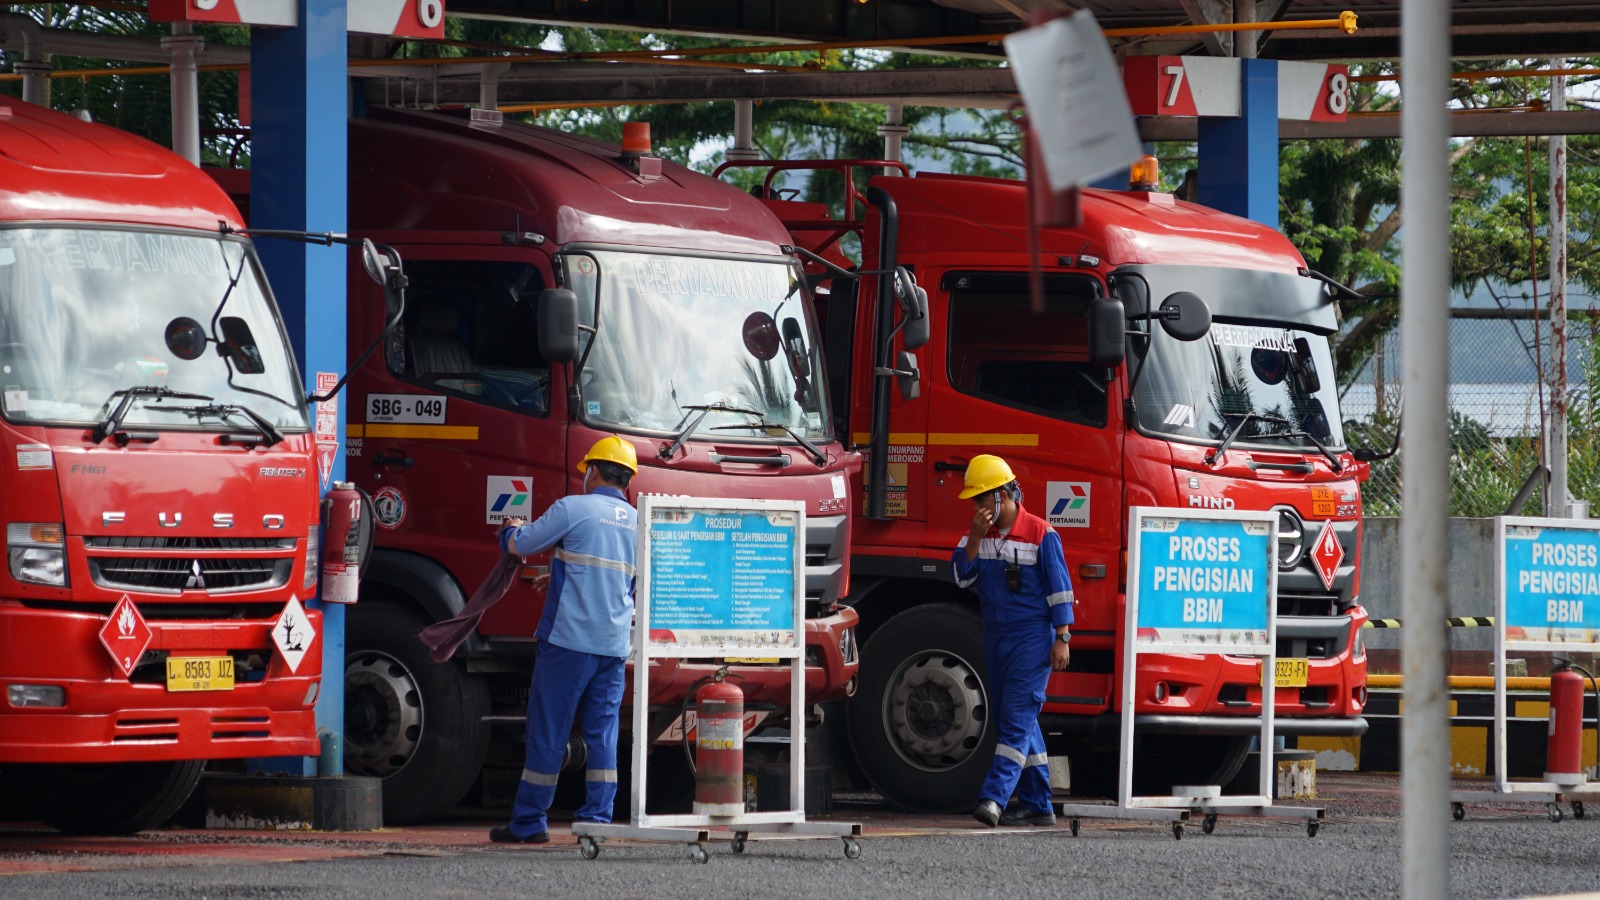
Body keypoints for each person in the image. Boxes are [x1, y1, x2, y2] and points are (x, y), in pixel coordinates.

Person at [488, 435, 640, 844]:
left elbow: (521, 544)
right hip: (613, 647)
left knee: (548, 732)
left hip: (567, 643)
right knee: (603, 735)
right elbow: (624, 582)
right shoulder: (638, 522)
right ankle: (596, 820)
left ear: (594, 471)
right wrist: (555, 576)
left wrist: (509, 529)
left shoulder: (573, 508)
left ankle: (529, 823)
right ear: (627, 479)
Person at [951, 454, 1074, 828]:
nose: (977, 508)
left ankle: (994, 798)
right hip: (997, 638)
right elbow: (960, 577)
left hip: (1031, 639)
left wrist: (1062, 637)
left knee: (1015, 721)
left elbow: (1060, 590)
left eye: (981, 499)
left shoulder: (1041, 534)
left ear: (1002, 495)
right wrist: (974, 538)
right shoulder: (978, 535)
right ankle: (1039, 805)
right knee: (1021, 720)